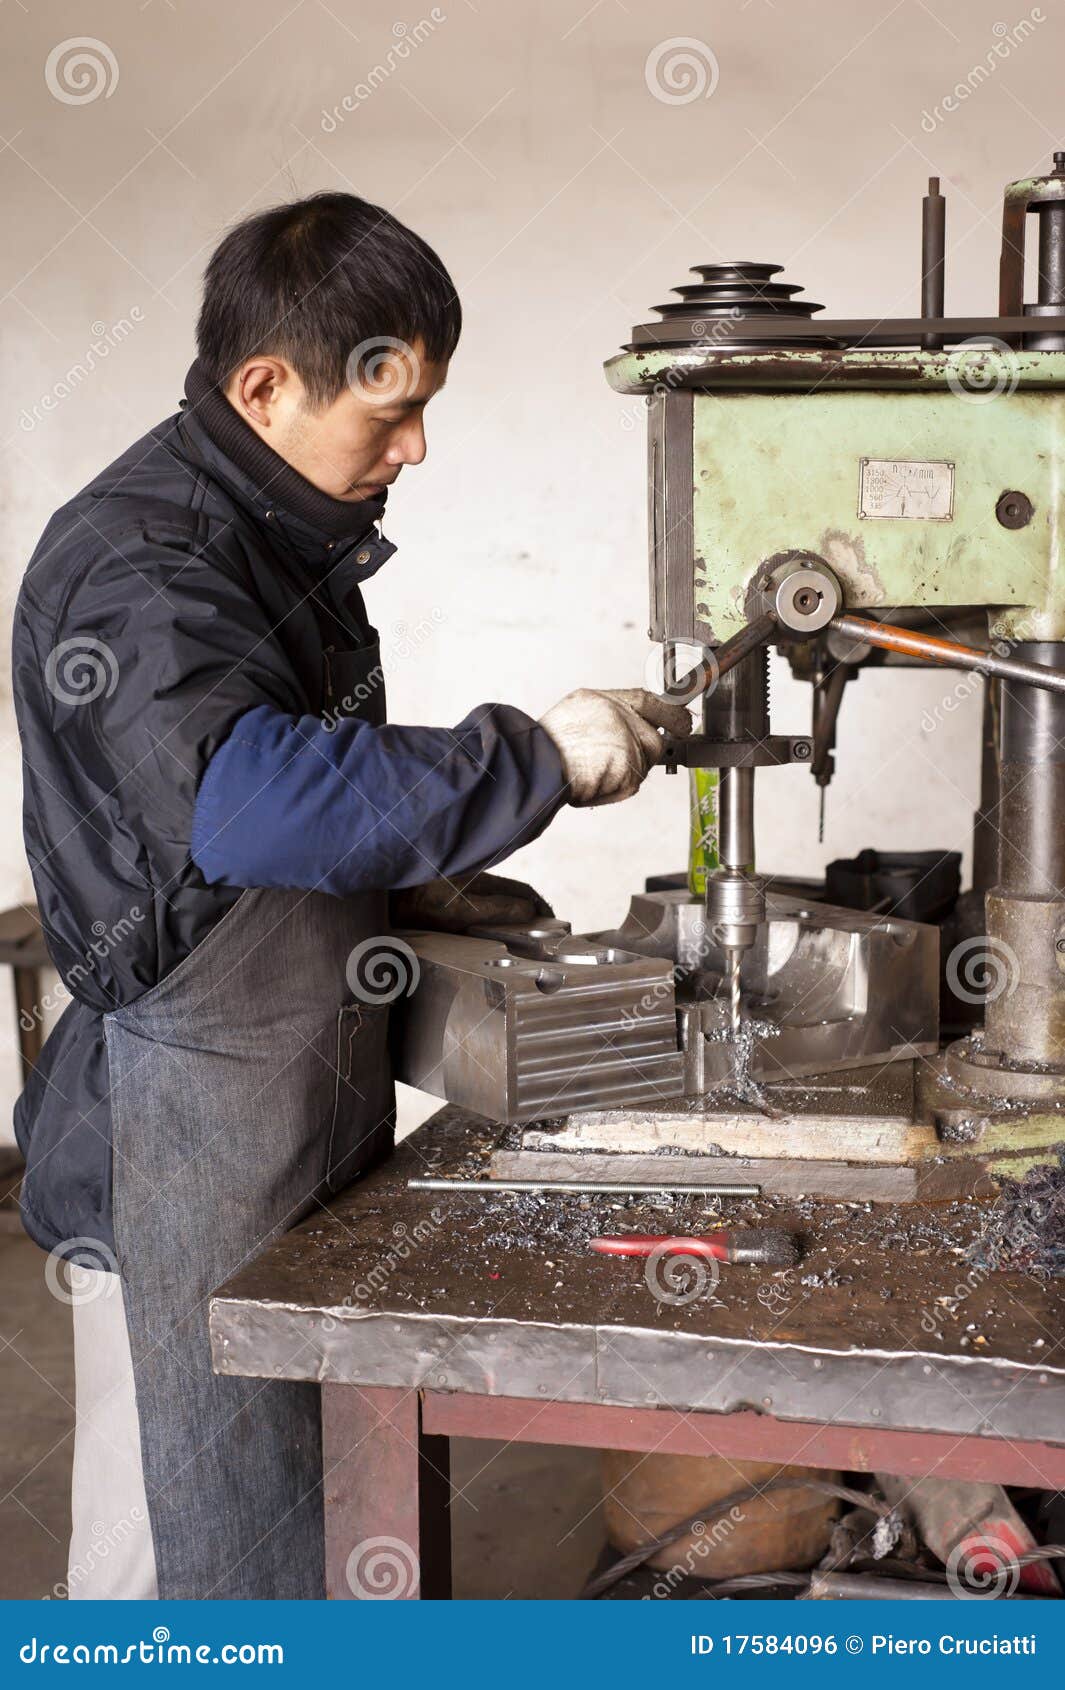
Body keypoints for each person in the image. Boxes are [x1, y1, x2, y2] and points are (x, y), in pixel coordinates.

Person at [11, 192, 691, 1599]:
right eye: (387, 409)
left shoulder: (279, 534)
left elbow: (285, 795)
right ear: (266, 386)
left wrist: (428, 870)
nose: (417, 444)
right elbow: (252, 799)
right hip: (173, 1144)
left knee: (293, 1526)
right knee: (184, 1561)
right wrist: (536, 755)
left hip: (288, 1107)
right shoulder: (142, 562)